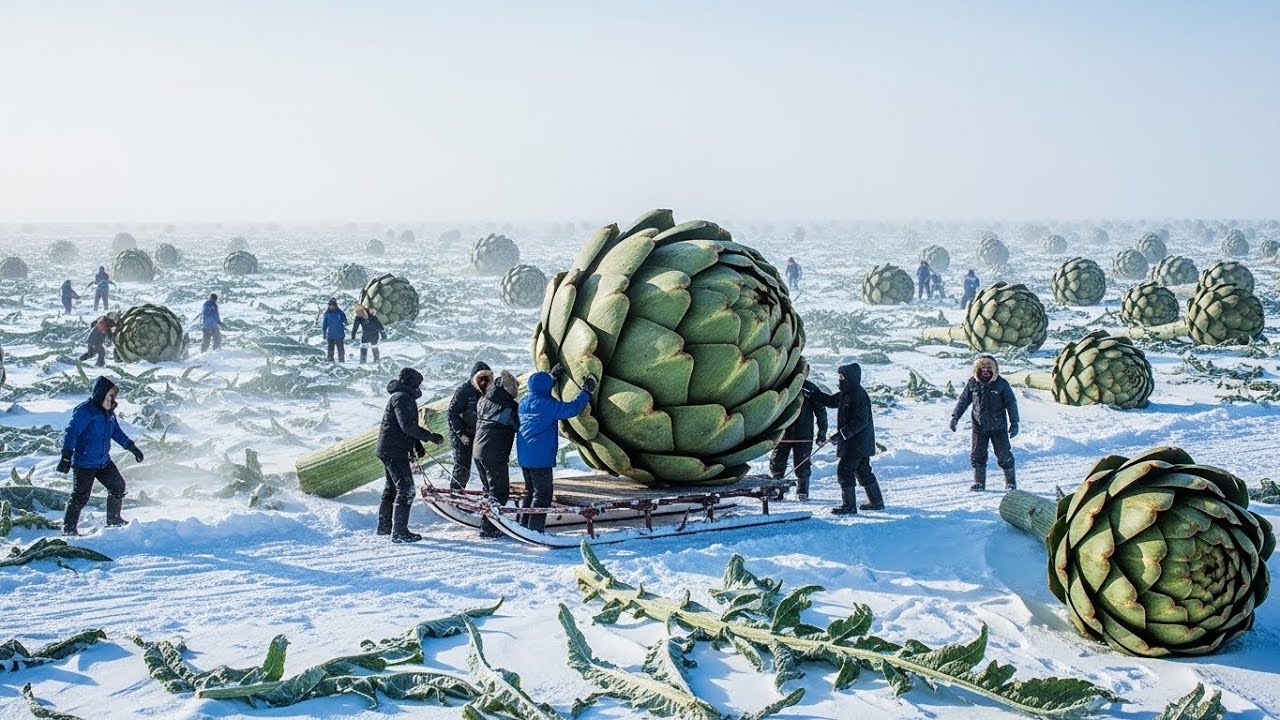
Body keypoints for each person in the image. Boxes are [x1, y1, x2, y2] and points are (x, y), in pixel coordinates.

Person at [57, 376, 143, 534]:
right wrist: (66, 456)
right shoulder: (85, 411)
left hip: (103, 461)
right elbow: (72, 432)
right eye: (110, 394)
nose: (112, 398)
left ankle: (113, 519)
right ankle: (68, 529)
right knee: (80, 496)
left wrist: (132, 448)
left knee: (118, 487)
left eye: (114, 395)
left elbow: (116, 432)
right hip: (84, 462)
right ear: (101, 393)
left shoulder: (109, 413)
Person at [516, 365, 594, 532]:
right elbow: (573, 408)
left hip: (524, 456)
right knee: (543, 495)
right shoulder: (548, 404)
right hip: (541, 458)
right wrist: (586, 392)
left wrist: (551, 378)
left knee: (530, 491)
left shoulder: (523, 402)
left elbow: (540, 388)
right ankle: (535, 529)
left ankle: (523, 524)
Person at [375, 367, 445, 542]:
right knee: (406, 490)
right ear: (409, 382)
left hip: (390, 448)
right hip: (394, 450)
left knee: (391, 489)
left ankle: (384, 527)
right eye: (417, 383)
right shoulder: (402, 398)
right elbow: (407, 426)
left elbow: (405, 427)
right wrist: (429, 437)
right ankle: (399, 532)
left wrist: (417, 444)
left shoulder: (401, 397)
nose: (419, 387)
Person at [812, 363, 884, 514]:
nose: (839, 380)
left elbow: (860, 421)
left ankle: (849, 506)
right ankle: (877, 503)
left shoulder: (859, 395)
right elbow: (831, 402)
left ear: (849, 378)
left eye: (842, 376)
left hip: (857, 444)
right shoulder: (847, 393)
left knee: (844, 472)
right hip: (858, 444)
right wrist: (813, 393)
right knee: (863, 471)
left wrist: (840, 435)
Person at [950, 354, 1019, 492]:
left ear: (994, 369)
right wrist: (955, 417)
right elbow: (963, 401)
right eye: (982, 367)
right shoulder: (972, 383)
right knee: (978, 455)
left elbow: (1011, 403)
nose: (986, 370)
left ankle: (1010, 483)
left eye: (989, 367)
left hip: (998, 426)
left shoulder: (1001, 384)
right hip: (979, 426)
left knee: (1004, 455)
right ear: (977, 369)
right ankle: (979, 483)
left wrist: (1014, 422)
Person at [472, 370, 520, 538]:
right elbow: (519, 426)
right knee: (500, 492)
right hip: (494, 452)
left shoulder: (483, 399)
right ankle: (488, 528)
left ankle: (487, 522)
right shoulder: (509, 406)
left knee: (489, 490)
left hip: (478, 450)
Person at [768, 378, 827, 500]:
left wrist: (822, 433)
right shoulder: (781, 385)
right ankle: (777, 490)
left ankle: (802, 492)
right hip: (783, 433)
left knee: (802, 464)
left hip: (804, 435)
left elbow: (821, 411)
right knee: (777, 462)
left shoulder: (810, 388)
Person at [447, 362, 493, 490]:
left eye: (487, 377)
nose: (484, 381)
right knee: (462, 466)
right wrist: (461, 434)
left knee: (484, 464)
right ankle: (456, 492)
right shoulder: (464, 391)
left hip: (479, 433)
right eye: (481, 378)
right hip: (462, 433)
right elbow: (452, 414)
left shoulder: (489, 391)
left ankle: (489, 492)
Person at [321, 298, 348, 362]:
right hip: (331, 335)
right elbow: (325, 324)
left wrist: (345, 324)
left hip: (339, 334)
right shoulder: (327, 314)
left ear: (335, 306)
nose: (331, 307)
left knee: (340, 349)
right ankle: (330, 360)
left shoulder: (340, 313)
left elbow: (345, 322)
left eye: (332, 306)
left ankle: (341, 360)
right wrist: (324, 333)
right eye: (330, 306)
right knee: (330, 349)